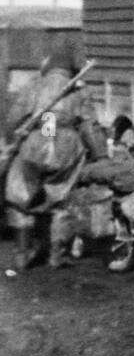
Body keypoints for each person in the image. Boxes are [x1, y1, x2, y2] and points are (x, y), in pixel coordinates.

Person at [3, 38, 102, 270]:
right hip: (67, 146)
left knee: (20, 199)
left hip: (36, 143)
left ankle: (22, 254)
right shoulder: (80, 91)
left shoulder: (34, 85)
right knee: (61, 202)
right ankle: (56, 256)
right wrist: (101, 155)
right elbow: (90, 126)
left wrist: (12, 144)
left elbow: (13, 119)